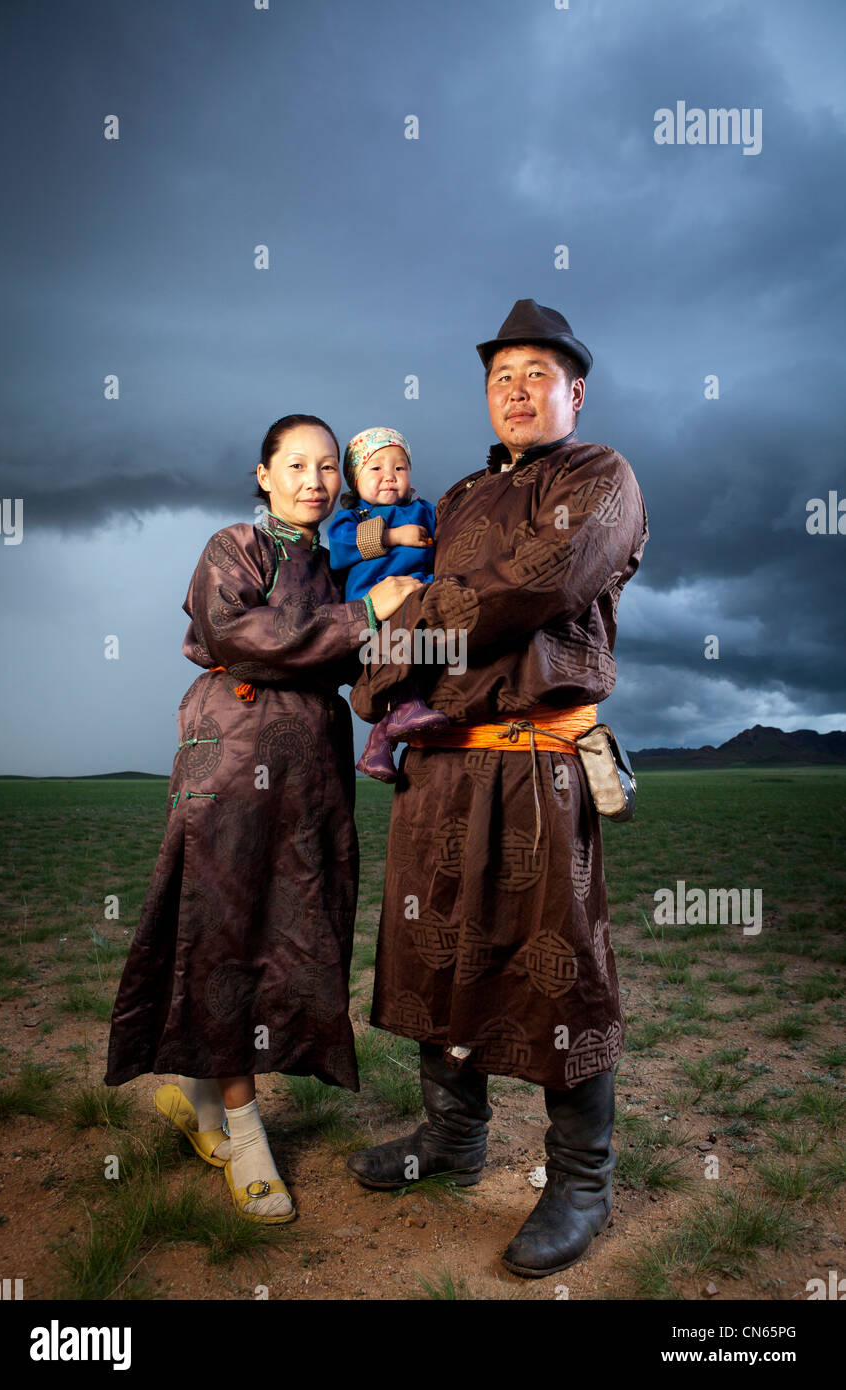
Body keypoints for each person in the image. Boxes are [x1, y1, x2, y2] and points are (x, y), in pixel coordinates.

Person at [346, 299, 650, 1276]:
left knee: (558, 965)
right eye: (499, 375)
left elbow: (532, 584)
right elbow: (425, 606)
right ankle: (450, 1139)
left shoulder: (599, 479)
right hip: (437, 764)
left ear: (574, 390)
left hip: (534, 761)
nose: (516, 390)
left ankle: (579, 1181)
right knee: (437, 955)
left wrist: (389, 643)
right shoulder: (461, 494)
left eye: (536, 373)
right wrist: (393, 652)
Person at [104, 414, 421, 1224]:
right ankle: (245, 1134)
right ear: (264, 474)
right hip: (230, 760)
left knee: (290, 929)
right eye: (297, 465)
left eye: (327, 468)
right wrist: (365, 617)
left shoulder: (350, 562)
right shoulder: (235, 545)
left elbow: (365, 665)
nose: (315, 481)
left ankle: (202, 1100)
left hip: (313, 769)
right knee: (221, 929)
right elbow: (232, 632)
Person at [326, 426, 448, 782]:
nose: (389, 477)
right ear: (354, 480)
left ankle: (377, 749)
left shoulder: (425, 510)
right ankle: (407, 709)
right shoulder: (354, 517)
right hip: (376, 604)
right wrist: (393, 536)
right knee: (401, 657)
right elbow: (340, 551)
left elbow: (444, 545)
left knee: (425, 658)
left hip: (421, 592)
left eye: (399, 467)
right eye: (376, 468)